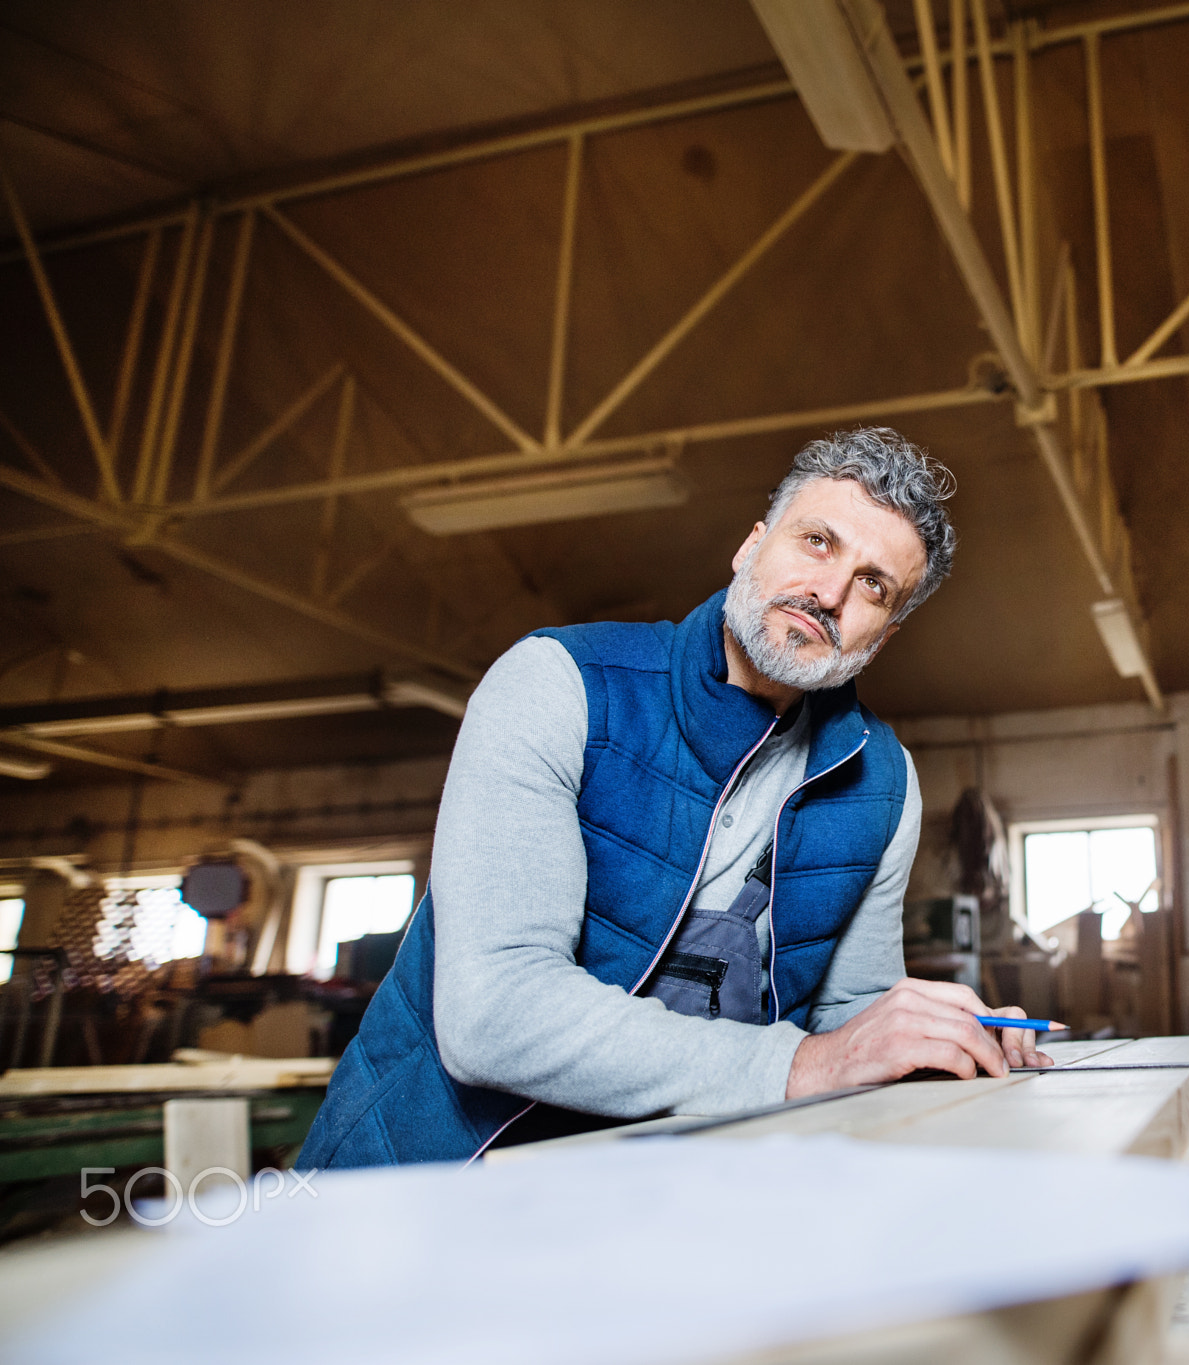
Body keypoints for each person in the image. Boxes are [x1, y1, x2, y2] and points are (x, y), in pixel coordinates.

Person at [297, 428, 1051, 1168]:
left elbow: (849, 1024)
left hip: (658, 1197)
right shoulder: (559, 685)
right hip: (425, 1186)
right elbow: (495, 1015)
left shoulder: (882, 780)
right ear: (750, 547)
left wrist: (933, 1038)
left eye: (873, 584)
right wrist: (801, 1066)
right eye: (816, 542)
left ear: (881, 637)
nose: (828, 593)